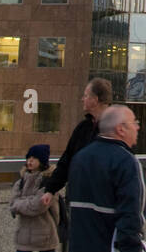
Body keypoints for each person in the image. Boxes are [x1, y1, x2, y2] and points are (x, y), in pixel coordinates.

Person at [67, 105, 146, 252]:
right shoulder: (127, 162)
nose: (138, 127)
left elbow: (71, 206)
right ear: (121, 129)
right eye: (135, 122)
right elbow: (131, 213)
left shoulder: (80, 158)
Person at [41, 77, 111, 207]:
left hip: (101, 204)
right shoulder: (83, 128)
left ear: (95, 100)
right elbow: (67, 160)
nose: (82, 99)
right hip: (77, 200)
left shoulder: (115, 129)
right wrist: (50, 190)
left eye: (85, 95)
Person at [7, 144, 64, 252]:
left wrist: (22, 203)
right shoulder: (21, 181)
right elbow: (12, 203)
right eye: (29, 158)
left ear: (42, 161)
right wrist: (27, 202)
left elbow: (37, 206)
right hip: (24, 232)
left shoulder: (49, 182)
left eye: (34, 158)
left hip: (44, 232)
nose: (30, 161)